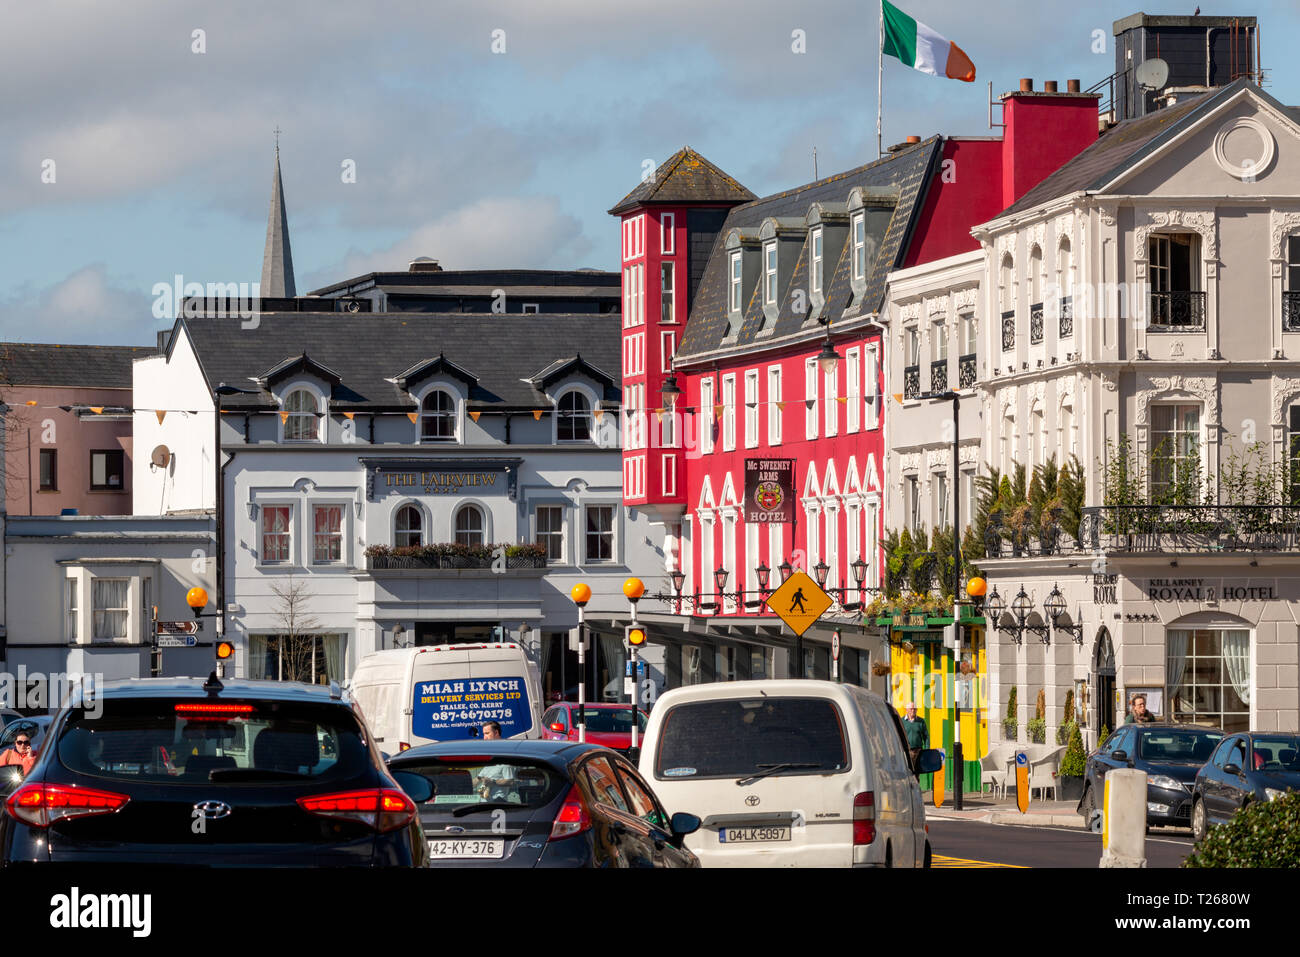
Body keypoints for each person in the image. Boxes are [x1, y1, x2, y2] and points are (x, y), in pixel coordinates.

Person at [476, 722, 516, 801]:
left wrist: (493, 782)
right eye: (484, 734)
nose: (485, 738)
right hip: (483, 803)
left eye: (487, 733)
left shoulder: (506, 752)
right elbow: (479, 778)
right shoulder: (490, 753)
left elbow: (510, 781)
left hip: (497, 802)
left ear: (496, 732)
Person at [901, 702, 928, 770]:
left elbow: (926, 736)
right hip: (906, 751)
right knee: (908, 770)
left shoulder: (921, 721)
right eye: (911, 709)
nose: (913, 711)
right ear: (907, 710)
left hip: (918, 750)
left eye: (915, 709)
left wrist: (927, 749)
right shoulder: (902, 721)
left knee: (916, 771)